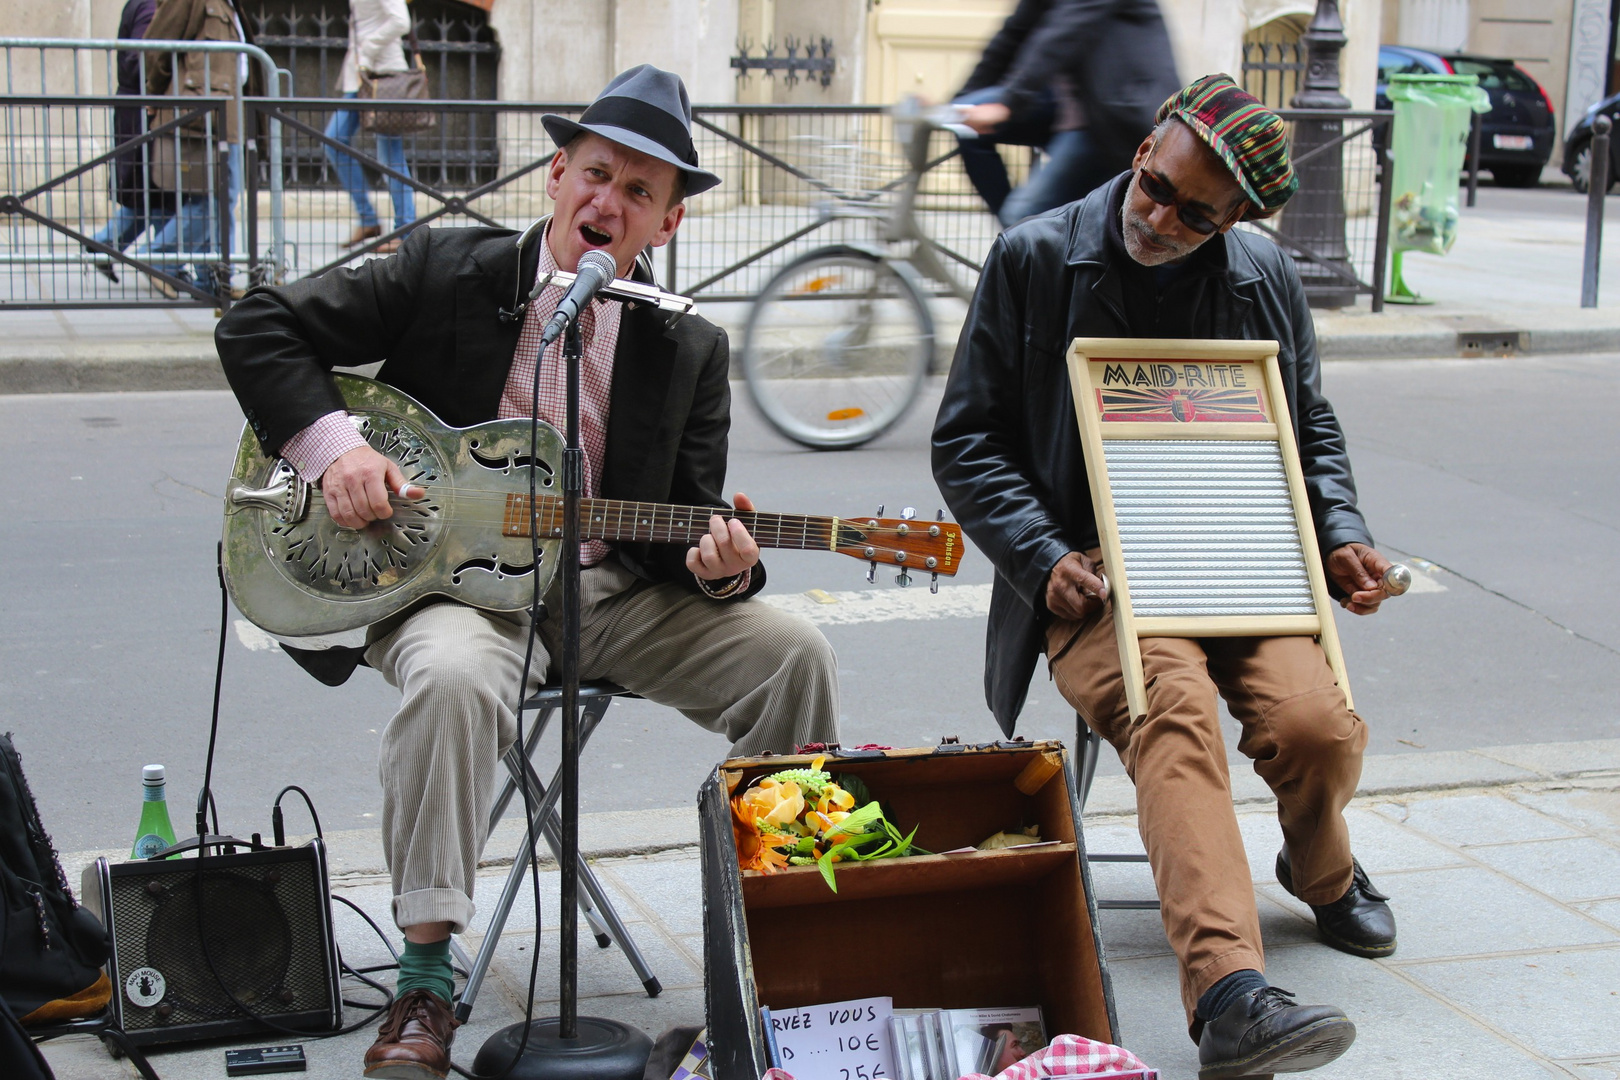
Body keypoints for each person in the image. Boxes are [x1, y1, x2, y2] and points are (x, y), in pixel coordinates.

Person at [215, 65, 839, 1079]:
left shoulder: (689, 346)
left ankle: (776, 937)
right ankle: (424, 981)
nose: (610, 203)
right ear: (556, 175)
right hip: (452, 589)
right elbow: (257, 326)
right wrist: (338, 453)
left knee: (795, 653)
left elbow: (681, 528)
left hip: (612, 594)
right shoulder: (443, 269)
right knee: (457, 676)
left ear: (667, 224)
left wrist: (724, 571)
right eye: (597, 176)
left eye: (640, 193)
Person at [932, 74, 1398, 1078]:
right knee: (1173, 710)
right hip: (1096, 584)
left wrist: (1340, 532)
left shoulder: (1262, 276)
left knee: (1315, 724)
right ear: (1147, 146)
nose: (1159, 216)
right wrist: (1042, 553)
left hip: (1239, 565)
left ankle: (1321, 872)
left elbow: (1306, 424)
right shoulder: (1035, 259)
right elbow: (967, 441)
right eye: (1156, 186)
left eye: (1196, 215)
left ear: (1235, 221)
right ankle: (1231, 994)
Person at [952, 0, 1179, 228]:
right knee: (971, 122)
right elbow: (1014, 33)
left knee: (1022, 216)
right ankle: (1027, 241)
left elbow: (1065, 30)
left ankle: (1027, 237)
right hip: (1070, 106)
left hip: (1114, 117)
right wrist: (956, 107)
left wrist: (1009, 104)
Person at [141, 0, 264, 297]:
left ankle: (215, 277)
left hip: (228, 114)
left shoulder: (230, 4)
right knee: (213, 199)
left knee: (223, 198)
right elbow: (156, 45)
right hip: (200, 112)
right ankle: (158, 258)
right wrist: (155, 94)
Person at [86, 0, 173, 284]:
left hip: (141, 109)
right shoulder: (150, 6)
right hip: (142, 112)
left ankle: (105, 245)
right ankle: (167, 263)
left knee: (151, 192)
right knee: (155, 189)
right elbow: (140, 60)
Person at [325, 0, 418, 253]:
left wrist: (368, 47)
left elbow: (401, 20)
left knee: (390, 154)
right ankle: (368, 219)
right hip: (361, 77)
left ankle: (406, 230)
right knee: (334, 141)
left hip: (384, 75)